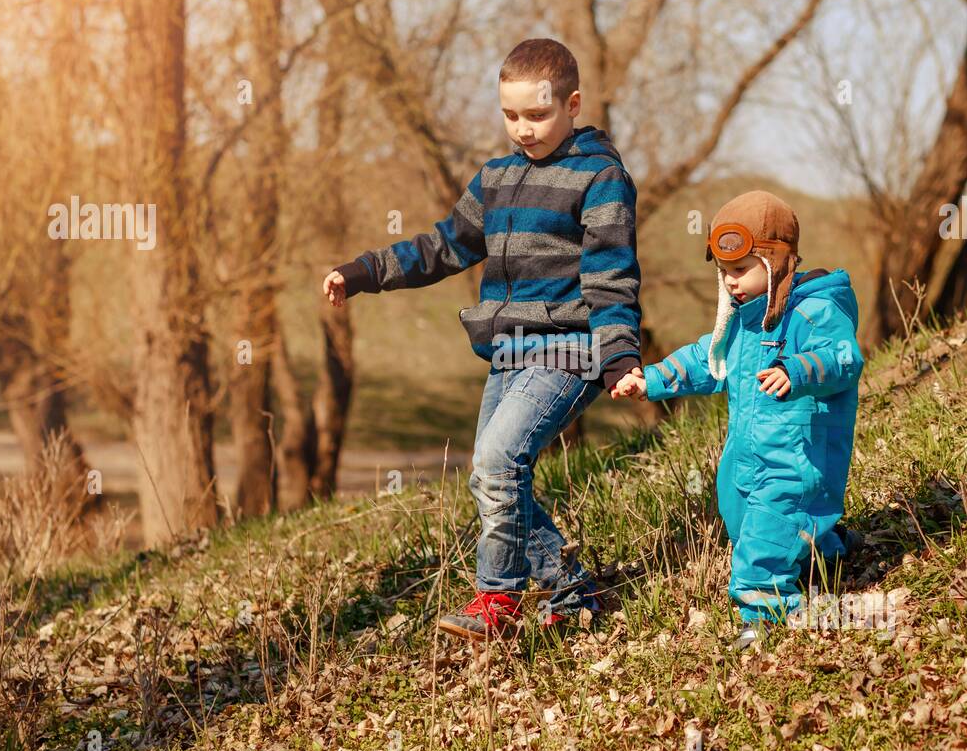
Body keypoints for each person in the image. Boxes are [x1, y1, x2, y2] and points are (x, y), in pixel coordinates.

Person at [323, 38, 642, 641]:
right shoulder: (496, 179)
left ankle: (497, 603)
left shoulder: (600, 178)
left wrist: (619, 357)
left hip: (568, 351)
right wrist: (363, 271)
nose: (523, 128)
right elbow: (442, 246)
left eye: (538, 114)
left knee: (498, 461)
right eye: (510, 115)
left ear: (572, 104)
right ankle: (572, 590)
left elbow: (611, 278)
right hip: (507, 353)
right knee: (489, 476)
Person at [612, 190, 863, 651]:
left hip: (797, 458)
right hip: (746, 455)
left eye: (741, 270)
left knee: (762, 542)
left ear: (777, 262)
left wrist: (798, 370)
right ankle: (824, 553)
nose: (730, 282)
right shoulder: (743, 324)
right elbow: (705, 362)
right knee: (739, 516)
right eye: (724, 272)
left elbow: (844, 358)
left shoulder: (814, 311)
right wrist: (650, 380)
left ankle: (765, 613)